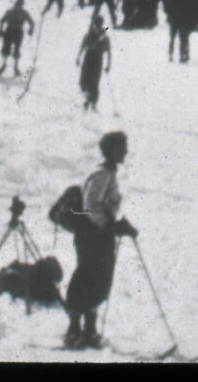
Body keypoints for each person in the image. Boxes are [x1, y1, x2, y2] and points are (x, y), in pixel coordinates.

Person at [63, 131, 137, 348]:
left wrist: (114, 224)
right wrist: (110, 224)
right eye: (122, 147)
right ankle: (75, 331)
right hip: (92, 233)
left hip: (98, 233)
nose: (125, 151)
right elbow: (90, 205)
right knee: (88, 276)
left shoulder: (108, 173)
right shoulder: (102, 174)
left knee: (99, 279)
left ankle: (89, 331)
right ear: (111, 150)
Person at [78, 16, 112, 111]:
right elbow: (83, 45)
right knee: (84, 81)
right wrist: (78, 56)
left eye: (97, 23)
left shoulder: (104, 37)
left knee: (94, 82)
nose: (96, 25)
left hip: (96, 60)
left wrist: (108, 64)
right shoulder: (90, 34)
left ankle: (92, 102)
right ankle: (89, 99)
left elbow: (108, 51)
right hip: (88, 59)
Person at [0, 0, 34, 74]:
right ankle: (15, 67)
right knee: (16, 49)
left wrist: (0, 31)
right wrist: (31, 31)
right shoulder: (24, 12)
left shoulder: (10, 11)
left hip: (9, 31)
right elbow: (31, 22)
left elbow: (1, 21)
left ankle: (5, 65)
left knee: (6, 48)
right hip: (18, 32)